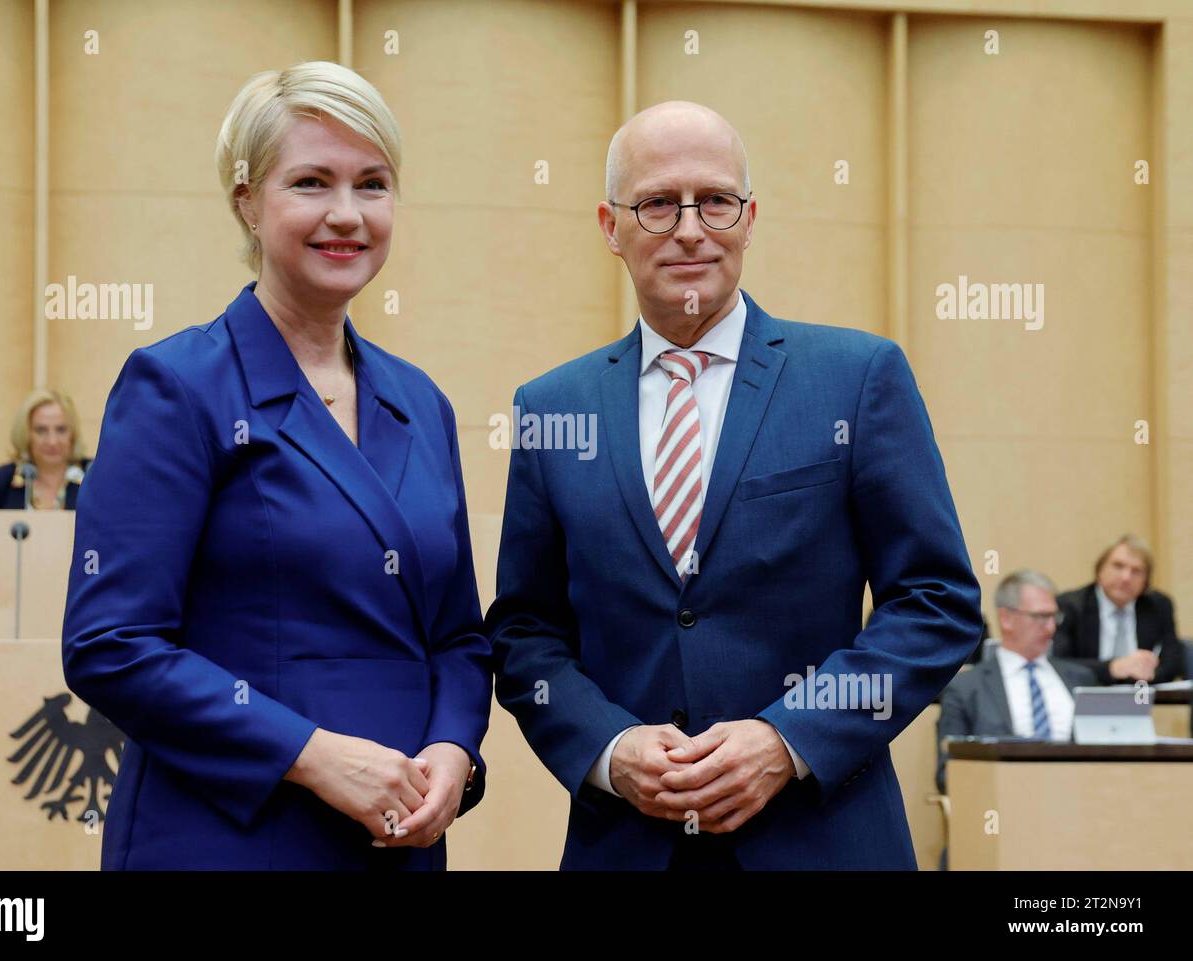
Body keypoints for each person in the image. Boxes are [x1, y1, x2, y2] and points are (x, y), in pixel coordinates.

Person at [486, 101, 982, 870]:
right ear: (610, 226)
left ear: (750, 218)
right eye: (657, 203)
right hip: (627, 845)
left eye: (715, 200)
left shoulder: (856, 379)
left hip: (825, 838)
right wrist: (610, 748)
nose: (690, 228)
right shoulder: (552, 408)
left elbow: (937, 602)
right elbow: (525, 631)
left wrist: (789, 738)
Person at [62, 61, 491, 870]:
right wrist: (314, 755)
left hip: (394, 843)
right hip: (225, 838)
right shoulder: (178, 385)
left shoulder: (421, 403)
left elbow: (460, 639)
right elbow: (111, 642)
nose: (346, 214)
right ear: (246, 203)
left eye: (372, 183)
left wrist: (453, 746)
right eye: (310, 182)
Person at [935, 569, 1094, 794]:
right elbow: (947, 773)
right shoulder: (966, 688)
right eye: (1040, 617)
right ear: (1006, 618)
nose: (1051, 628)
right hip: (1002, 805)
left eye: (1053, 616)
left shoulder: (1081, 679)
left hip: (1081, 800)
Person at [1052, 534, 1182, 685]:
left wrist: (1147, 672)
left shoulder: (1158, 606)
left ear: (1145, 581)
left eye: (1136, 571)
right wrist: (1112, 668)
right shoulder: (1071, 606)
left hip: (1138, 699)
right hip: (1086, 697)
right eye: (1118, 566)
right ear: (1100, 570)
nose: (1126, 577)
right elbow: (1059, 664)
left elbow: (1173, 664)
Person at [0, 388, 91, 509]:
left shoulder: (95, 479)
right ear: (25, 434)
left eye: (61, 430)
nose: (52, 441)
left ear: (73, 434)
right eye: (41, 430)